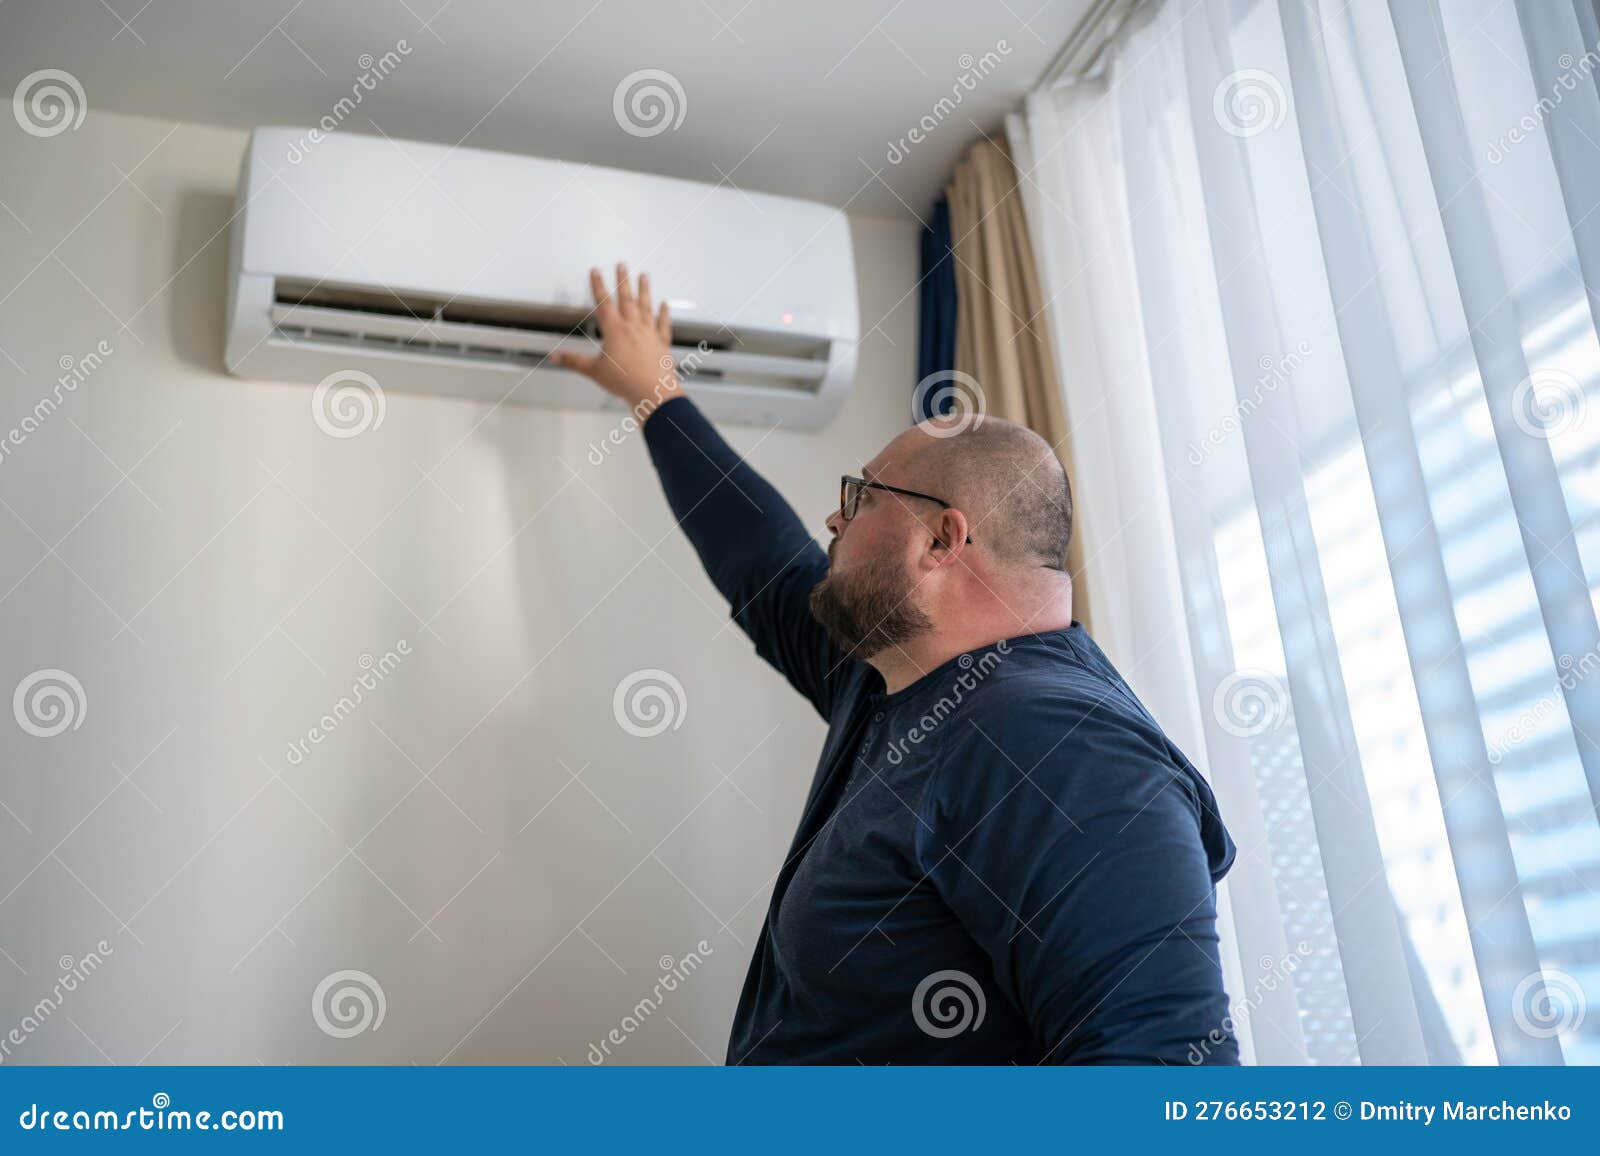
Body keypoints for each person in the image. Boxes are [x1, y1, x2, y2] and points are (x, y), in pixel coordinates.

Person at [551, 265, 1239, 1065]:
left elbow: (1159, 1076)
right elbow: (765, 565)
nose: (834, 518)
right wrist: (655, 395)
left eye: (862, 495)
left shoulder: (1057, 745)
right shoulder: (898, 679)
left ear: (942, 539)